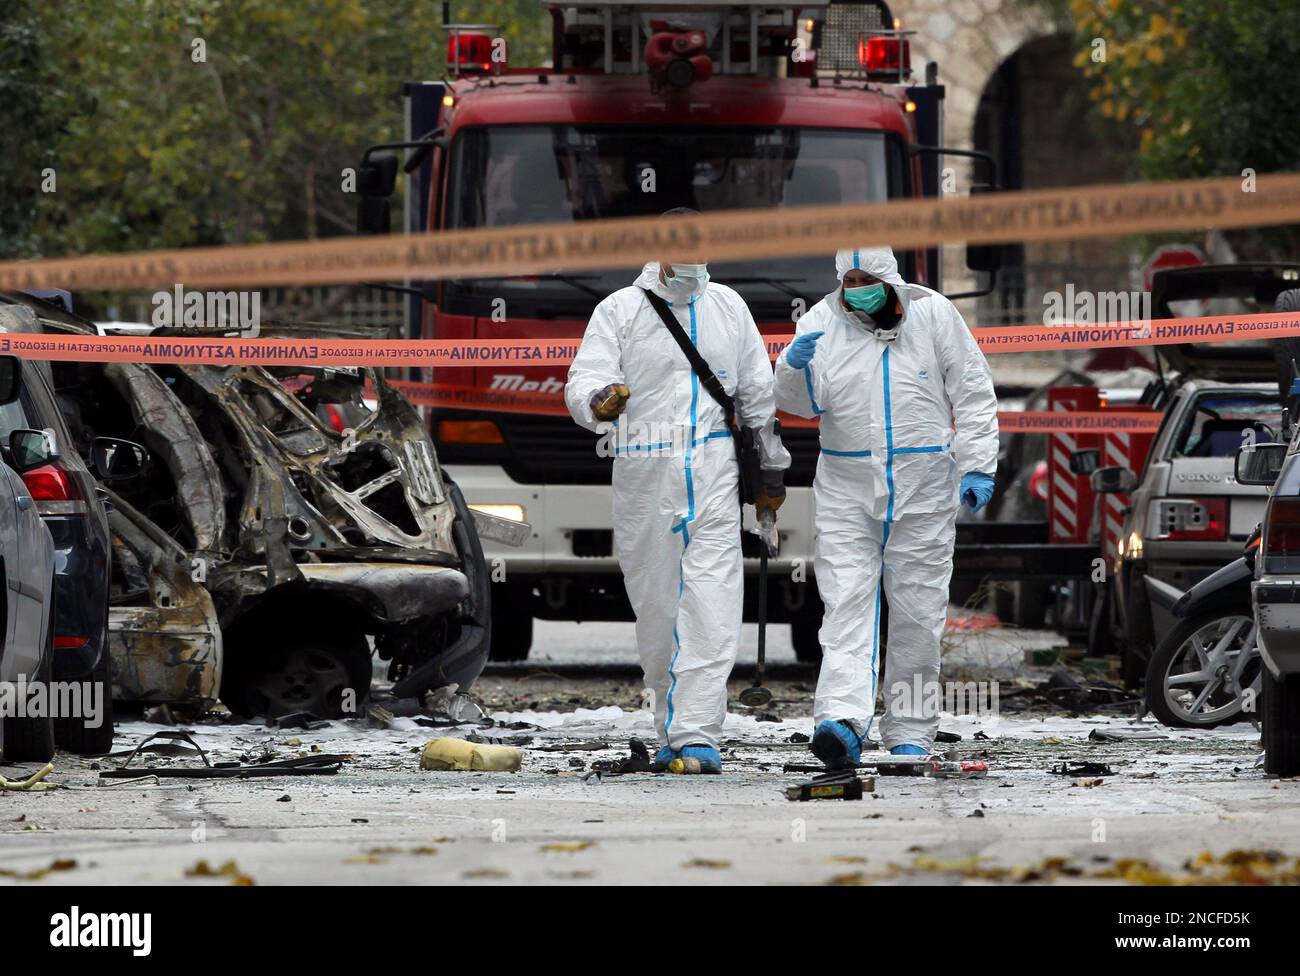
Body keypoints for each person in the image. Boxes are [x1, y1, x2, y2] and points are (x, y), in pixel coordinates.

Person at [565, 213, 790, 774]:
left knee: (713, 603)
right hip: (645, 469)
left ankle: (698, 736)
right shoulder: (619, 310)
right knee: (658, 606)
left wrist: (770, 476)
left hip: (714, 466)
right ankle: (671, 726)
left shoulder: (730, 308)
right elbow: (584, 378)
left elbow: (758, 395)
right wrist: (599, 402)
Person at [774, 246, 998, 768]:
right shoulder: (822, 321)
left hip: (924, 485)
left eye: (866, 277)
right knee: (846, 601)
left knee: (918, 612)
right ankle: (842, 722)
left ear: (889, 277)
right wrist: (791, 368)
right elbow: (802, 404)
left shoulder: (934, 315)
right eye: (848, 279)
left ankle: (911, 732)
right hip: (848, 486)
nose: (856, 287)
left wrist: (978, 464)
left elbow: (972, 391)